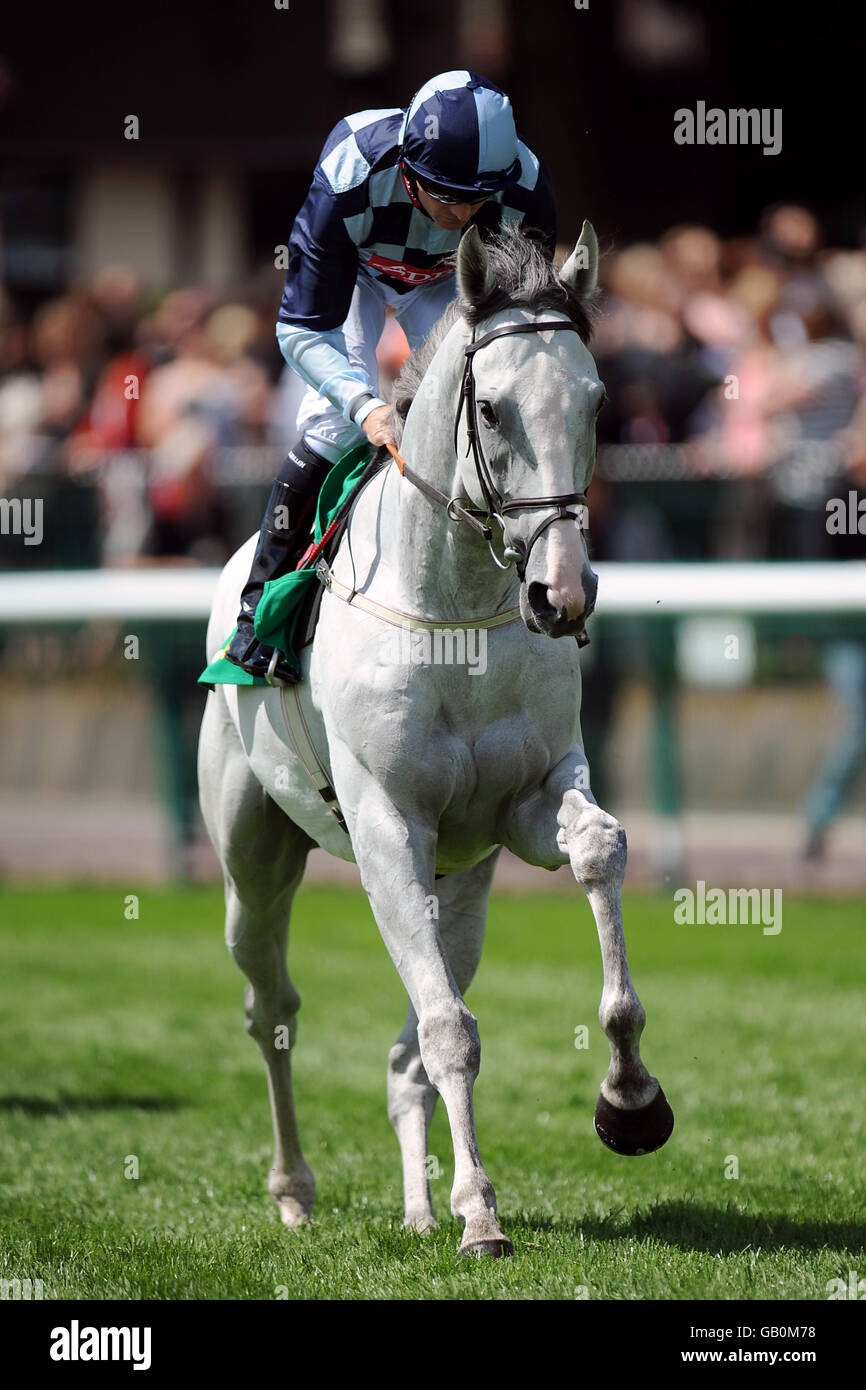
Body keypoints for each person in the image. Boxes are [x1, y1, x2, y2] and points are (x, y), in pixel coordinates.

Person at [226, 69, 556, 682]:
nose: (462, 213)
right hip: (355, 271)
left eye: (477, 199)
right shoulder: (351, 172)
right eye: (447, 194)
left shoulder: (525, 187)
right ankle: (257, 617)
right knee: (334, 424)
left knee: (483, 398)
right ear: (407, 166)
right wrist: (366, 407)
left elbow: (523, 336)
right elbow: (301, 330)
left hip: (448, 282)